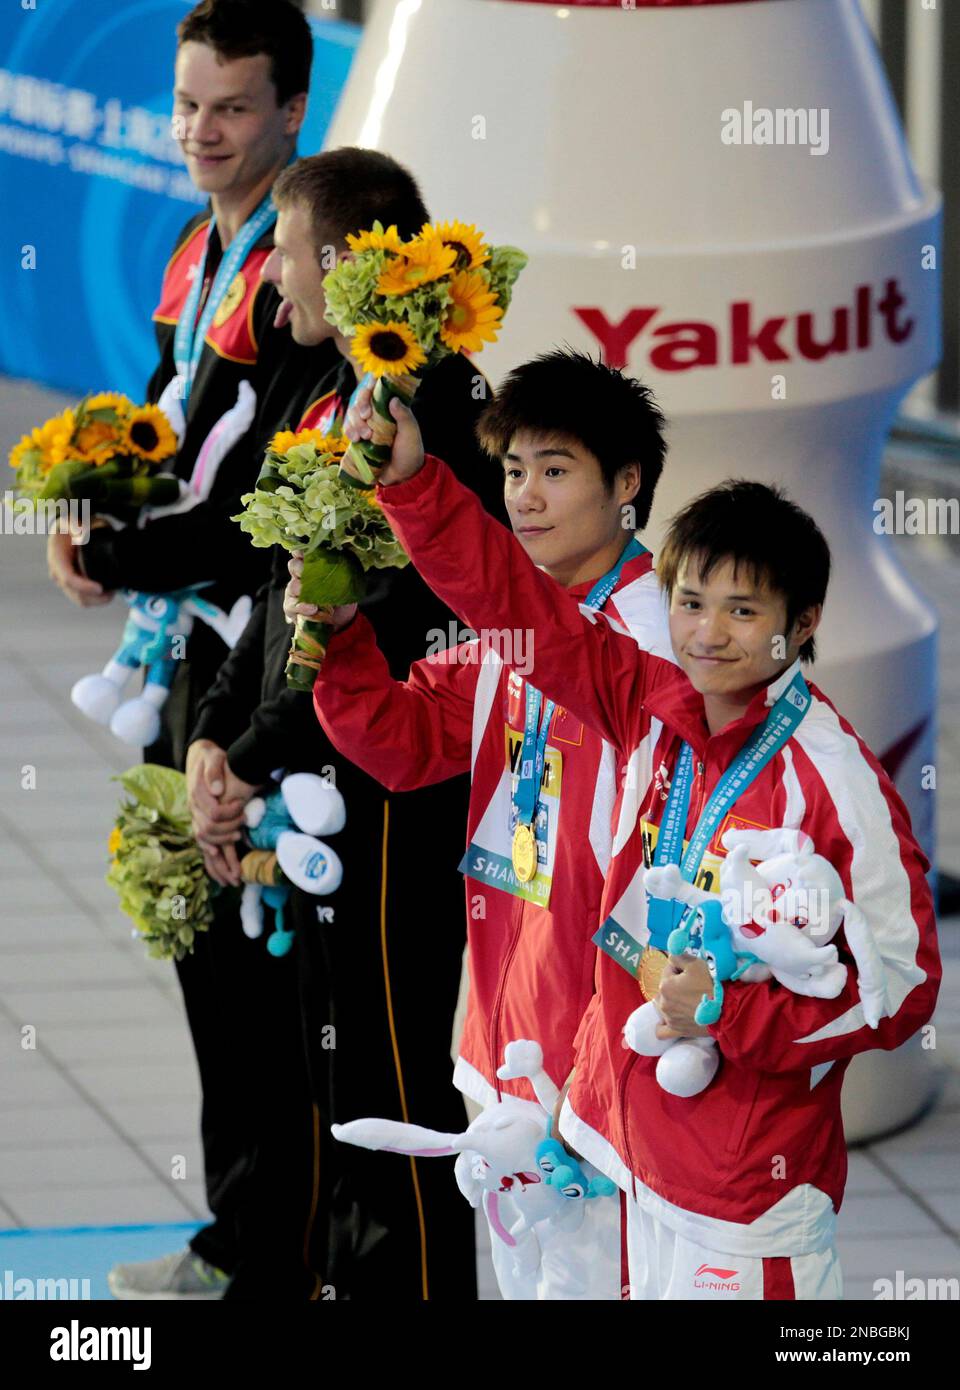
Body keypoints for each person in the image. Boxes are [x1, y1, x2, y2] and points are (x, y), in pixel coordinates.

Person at [317, 387, 941, 1301]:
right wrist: (404, 502)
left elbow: (909, 982)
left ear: (801, 625)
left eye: (740, 612)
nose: (707, 634)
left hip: (734, 1179)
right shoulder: (654, 704)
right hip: (607, 1120)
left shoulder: (828, 775)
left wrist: (731, 1014)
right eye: (692, 605)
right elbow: (502, 629)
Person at [46, 0, 338, 1301]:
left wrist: (121, 559)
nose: (200, 132)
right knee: (208, 957)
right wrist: (91, 497)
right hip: (186, 665)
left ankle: (286, 1251)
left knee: (268, 976)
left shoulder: (298, 286)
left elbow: (256, 513)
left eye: (230, 107)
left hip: (263, 672)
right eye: (185, 105)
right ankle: (247, 1240)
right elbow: (168, 421)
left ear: (292, 110)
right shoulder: (193, 246)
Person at [184, 151, 508, 1299]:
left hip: (385, 794)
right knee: (333, 1073)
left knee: (392, 1092)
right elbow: (275, 581)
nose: (270, 279)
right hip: (304, 766)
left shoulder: (432, 407)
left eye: (282, 252)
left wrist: (254, 753)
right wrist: (216, 741)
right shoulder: (321, 379)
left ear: (339, 261)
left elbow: (377, 622)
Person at [307, 350, 673, 1298]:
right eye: (512, 471)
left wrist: (419, 489)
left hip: (600, 1072)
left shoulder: (644, 641)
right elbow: (404, 740)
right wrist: (342, 640)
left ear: (627, 485)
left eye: (556, 471)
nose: (527, 497)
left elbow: (521, 615)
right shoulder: (524, 630)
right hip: (505, 1049)